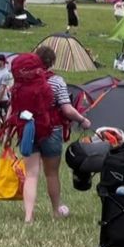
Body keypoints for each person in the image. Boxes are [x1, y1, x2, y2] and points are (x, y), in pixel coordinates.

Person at [21, 46, 91, 223]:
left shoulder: (25, 78)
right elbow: (67, 109)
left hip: (29, 129)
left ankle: (28, 216)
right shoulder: (57, 81)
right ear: (52, 62)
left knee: (31, 175)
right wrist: (82, 120)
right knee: (51, 173)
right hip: (51, 130)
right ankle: (55, 211)